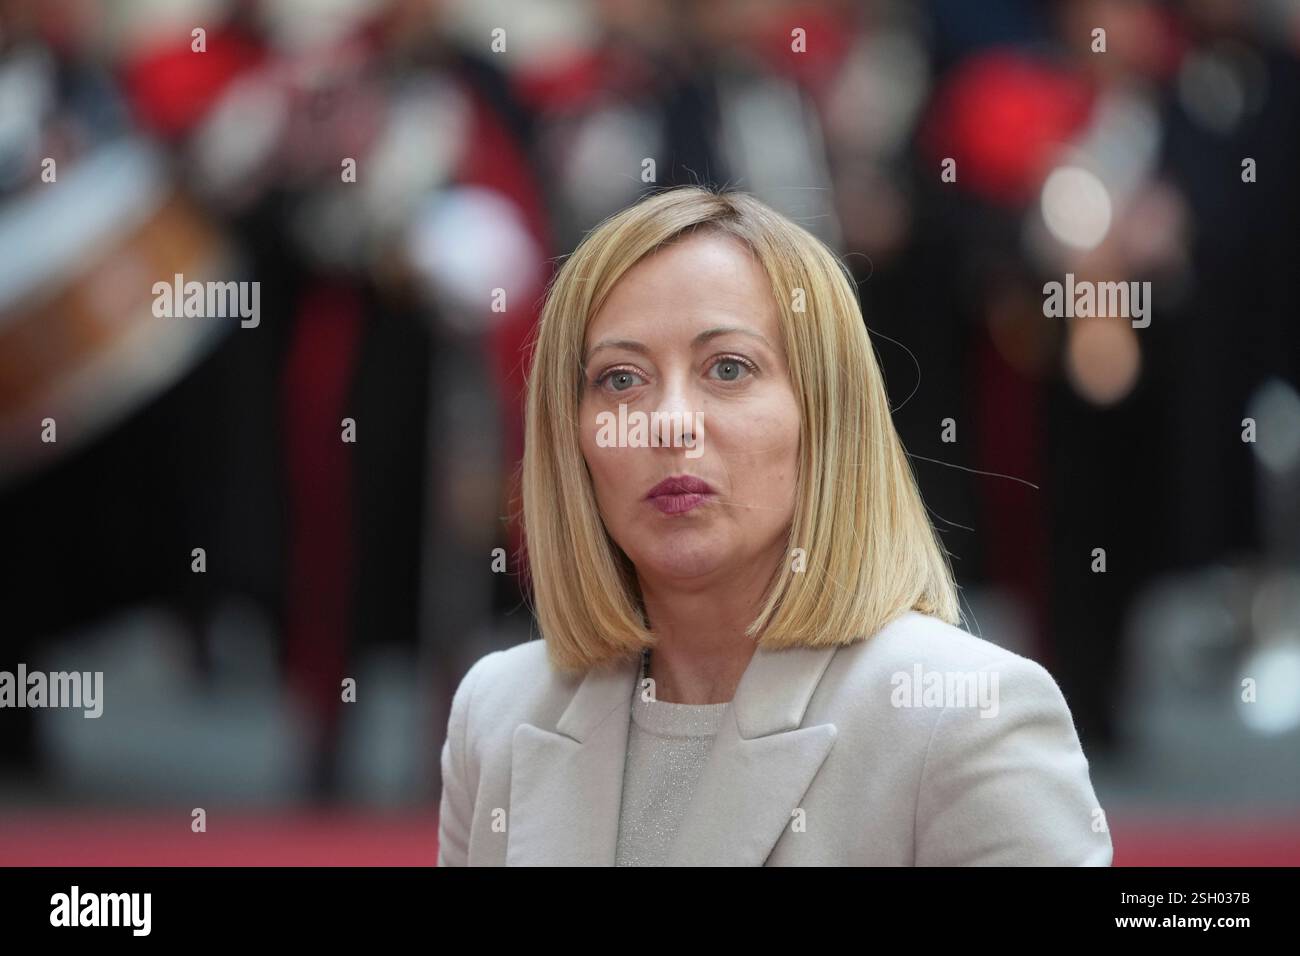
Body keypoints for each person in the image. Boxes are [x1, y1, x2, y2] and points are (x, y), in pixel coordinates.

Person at [437, 186, 1112, 866]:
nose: (669, 421)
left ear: (824, 414)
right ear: (569, 434)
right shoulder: (496, 711)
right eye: (620, 379)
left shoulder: (966, 715)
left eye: (728, 368)